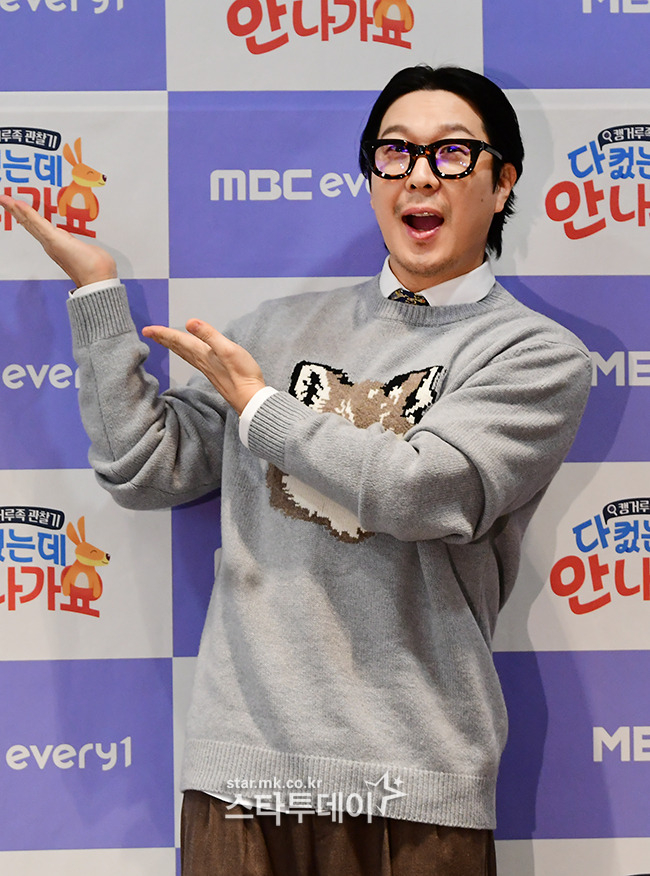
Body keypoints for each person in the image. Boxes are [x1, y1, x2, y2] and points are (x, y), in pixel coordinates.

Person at [0, 65, 591, 876]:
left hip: (416, 782)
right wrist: (98, 295)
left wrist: (259, 405)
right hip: (241, 776)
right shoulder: (274, 329)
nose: (420, 175)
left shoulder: (535, 354)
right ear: (371, 178)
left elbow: (421, 491)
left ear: (503, 181)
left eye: (453, 153)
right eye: (395, 153)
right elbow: (145, 468)